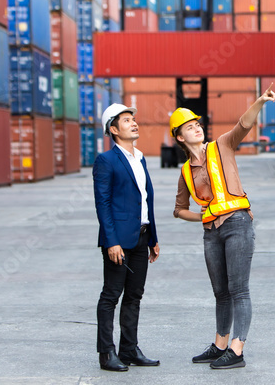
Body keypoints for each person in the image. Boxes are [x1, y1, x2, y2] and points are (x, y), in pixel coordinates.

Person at [170, 85, 275, 370]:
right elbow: (179, 210)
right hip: (211, 232)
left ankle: (237, 350)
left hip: (238, 223)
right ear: (179, 136)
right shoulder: (185, 171)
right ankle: (219, 346)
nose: (197, 128)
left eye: (197, 124)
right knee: (221, 292)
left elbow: (244, 124)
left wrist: (260, 101)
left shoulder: (223, 145)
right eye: (189, 127)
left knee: (239, 289)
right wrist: (202, 217)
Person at [93, 103, 160, 372]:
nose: (133, 123)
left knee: (134, 295)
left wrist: (153, 237)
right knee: (111, 295)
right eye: (126, 120)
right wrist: (111, 241)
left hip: (142, 238)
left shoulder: (140, 159)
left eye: (133, 119)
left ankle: (129, 350)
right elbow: (103, 204)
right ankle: (106, 353)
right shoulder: (106, 160)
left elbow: (145, 201)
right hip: (118, 241)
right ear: (113, 129)